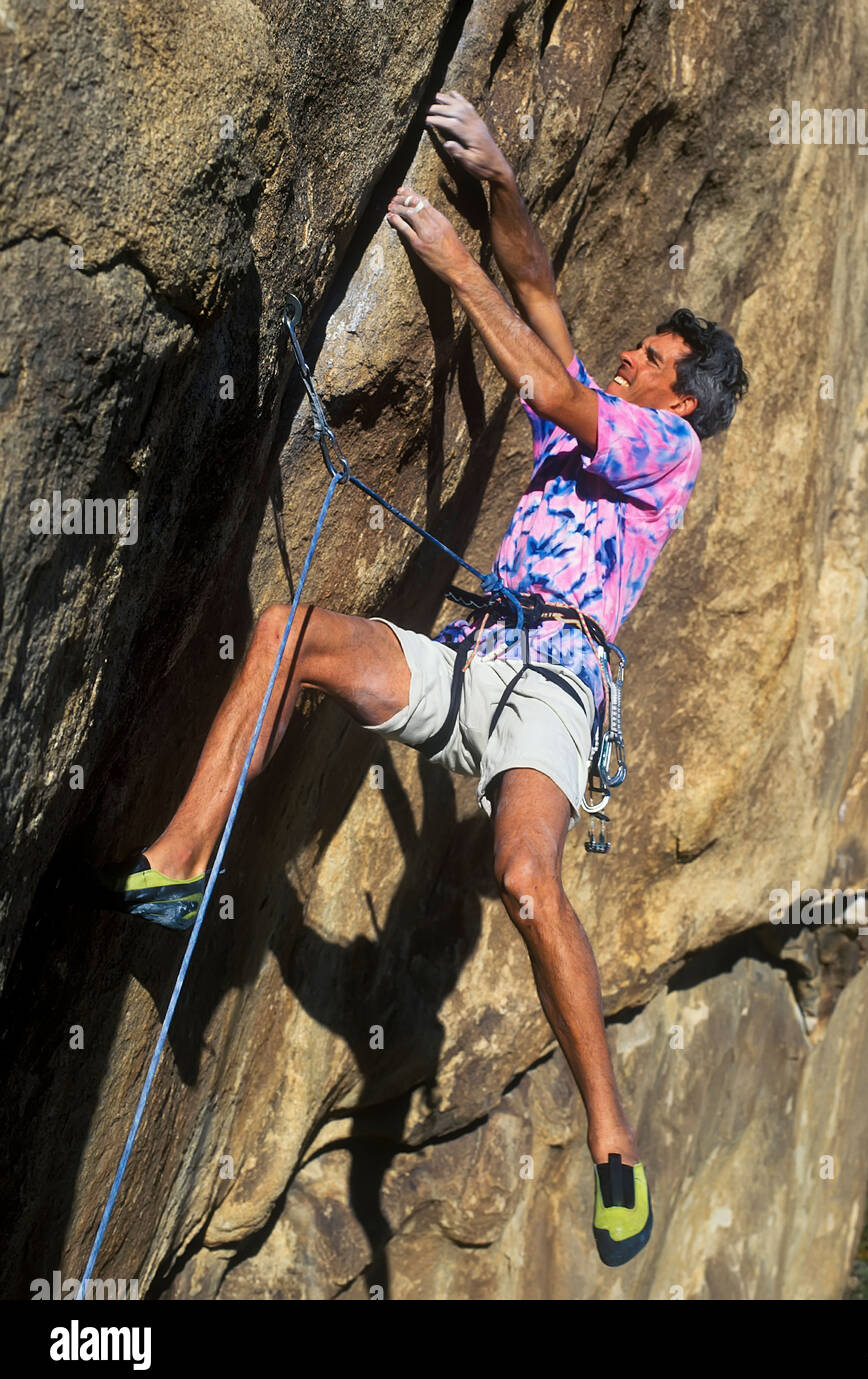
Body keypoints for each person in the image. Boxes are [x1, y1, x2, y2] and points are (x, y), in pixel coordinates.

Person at [97, 91, 748, 1268]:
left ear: (682, 394)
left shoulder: (669, 448)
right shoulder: (596, 417)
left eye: (652, 357)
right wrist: (496, 181)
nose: (631, 355)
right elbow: (540, 285)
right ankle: (177, 863)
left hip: (554, 686)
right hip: (480, 660)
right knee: (294, 632)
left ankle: (612, 1142)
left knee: (527, 881)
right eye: (640, 349)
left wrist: (451, 264)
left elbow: (546, 380)